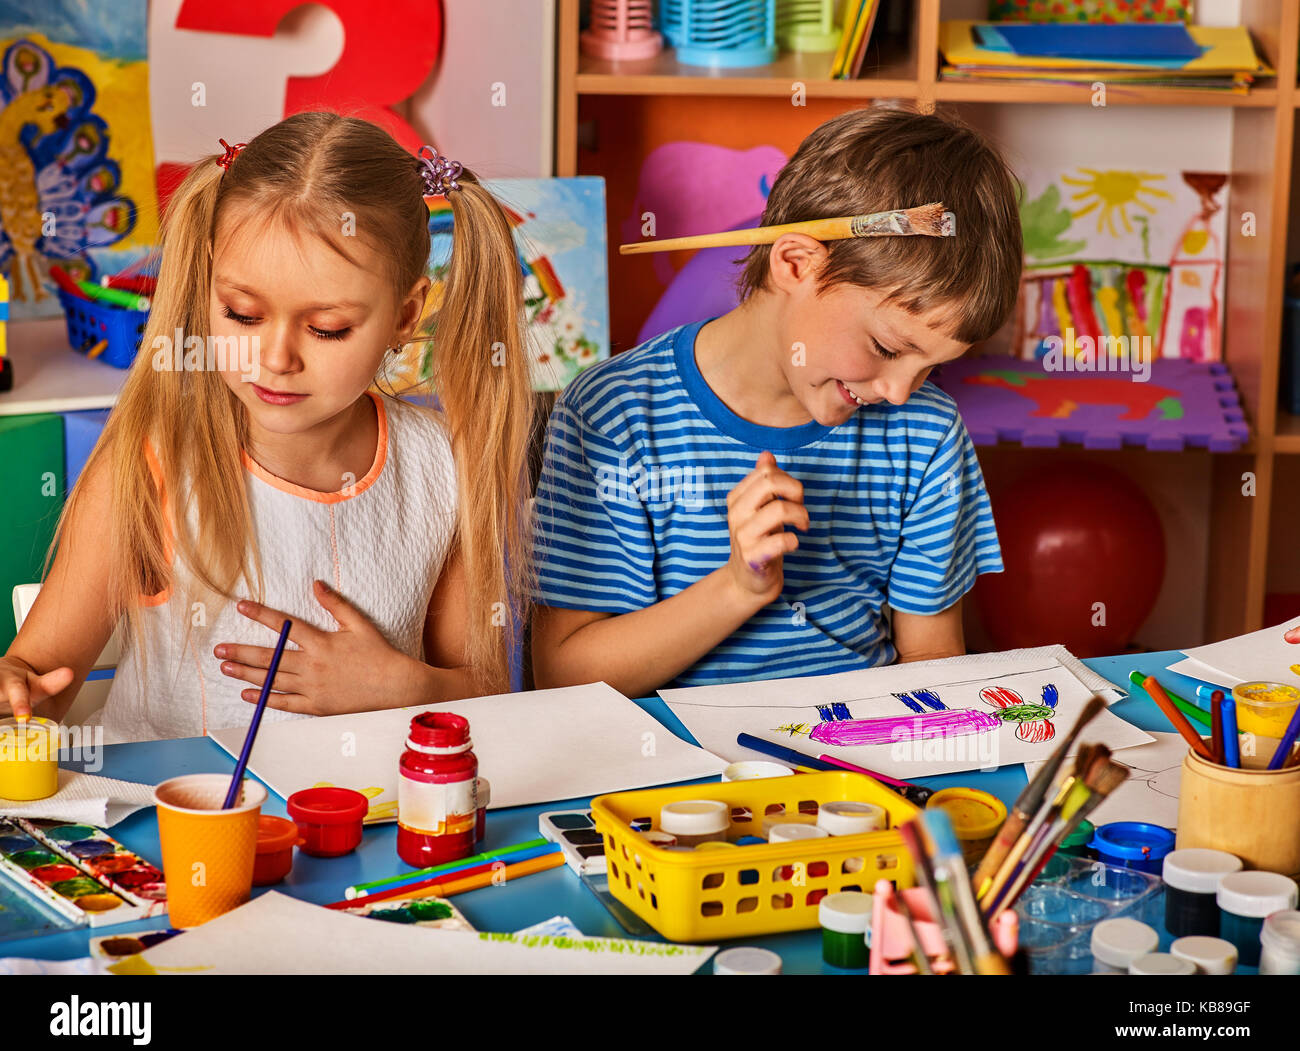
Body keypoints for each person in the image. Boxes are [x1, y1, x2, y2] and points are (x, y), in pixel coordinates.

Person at [0, 113, 533, 739]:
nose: (275, 359)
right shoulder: (152, 459)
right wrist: (17, 689)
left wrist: (404, 689)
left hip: (371, 818)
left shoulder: (448, 465)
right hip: (174, 824)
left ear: (406, 316)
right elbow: (38, 675)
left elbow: (485, 691)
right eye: (242, 314)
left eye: (327, 327)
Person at [531, 108, 1021, 696]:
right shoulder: (613, 412)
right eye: (888, 347)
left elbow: (932, 658)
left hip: (855, 759)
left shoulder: (928, 431)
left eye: (933, 366)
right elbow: (563, 676)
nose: (898, 392)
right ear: (795, 263)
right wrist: (738, 588)